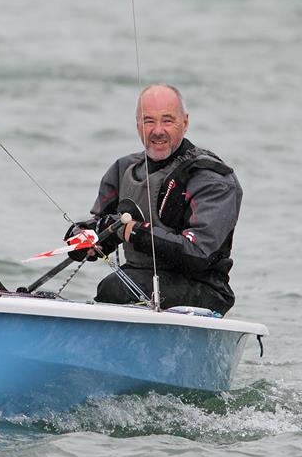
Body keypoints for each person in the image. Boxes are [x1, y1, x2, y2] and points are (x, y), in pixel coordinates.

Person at [67, 84, 242, 315]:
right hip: (138, 281)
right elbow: (102, 226)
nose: (157, 130)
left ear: (185, 123)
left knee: (115, 287)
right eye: (149, 121)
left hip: (203, 288)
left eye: (167, 121)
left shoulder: (212, 179)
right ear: (138, 126)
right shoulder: (123, 170)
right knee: (116, 285)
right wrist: (82, 239)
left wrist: (133, 231)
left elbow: (198, 253)